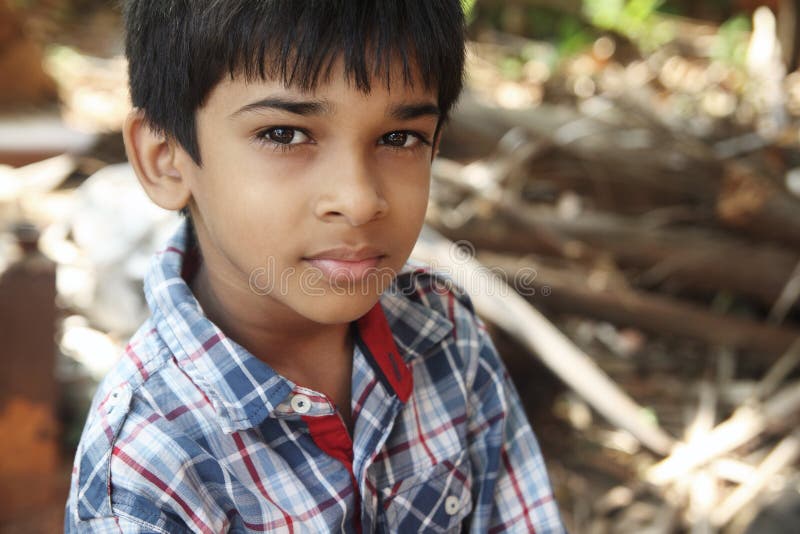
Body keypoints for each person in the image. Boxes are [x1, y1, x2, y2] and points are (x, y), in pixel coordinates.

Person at [64, 1, 565, 532]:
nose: (359, 200)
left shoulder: (443, 334)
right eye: (285, 134)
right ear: (165, 159)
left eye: (399, 138)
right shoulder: (145, 474)